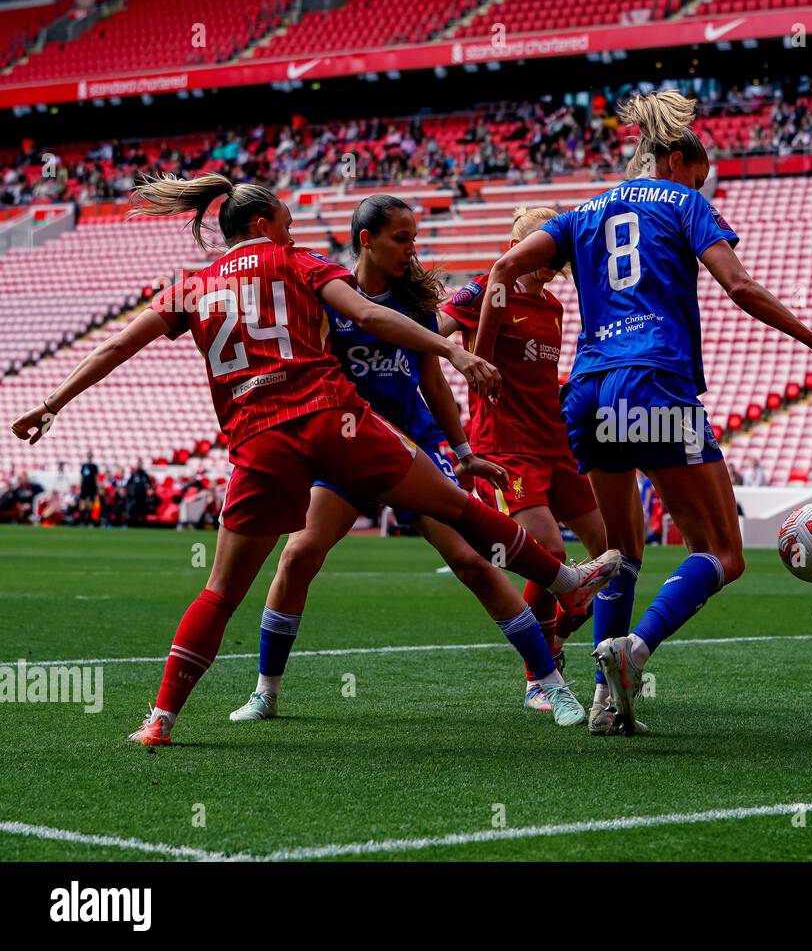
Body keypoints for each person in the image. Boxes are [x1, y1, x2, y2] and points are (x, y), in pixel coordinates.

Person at [9, 173, 620, 746]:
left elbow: (119, 342)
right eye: (286, 222)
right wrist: (454, 352)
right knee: (404, 527)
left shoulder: (194, 284)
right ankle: (560, 584)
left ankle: (161, 717)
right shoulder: (305, 268)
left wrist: (51, 403)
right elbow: (367, 317)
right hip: (340, 428)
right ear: (265, 226)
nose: (294, 232)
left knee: (229, 588)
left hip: (276, 438)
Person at [476, 90, 812, 734]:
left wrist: (481, 357)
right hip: (652, 381)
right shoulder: (684, 202)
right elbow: (737, 286)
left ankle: (605, 698)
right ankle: (635, 649)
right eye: (698, 174)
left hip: (589, 391)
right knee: (723, 552)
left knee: (620, 552)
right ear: (679, 159)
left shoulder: (581, 214)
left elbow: (502, 268)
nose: (699, 184)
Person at [227, 194, 598, 728]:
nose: (412, 249)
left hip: (411, 451)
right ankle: (266, 691)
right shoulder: (326, 295)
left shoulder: (417, 304)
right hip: (347, 447)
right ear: (366, 240)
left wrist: (464, 452)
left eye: (415, 238)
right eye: (402, 239)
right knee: (299, 555)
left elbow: (429, 381)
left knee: (473, 562)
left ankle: (549, 683)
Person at [439, 206, 609, 715]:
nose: (546, 256)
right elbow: (432, 332)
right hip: (504, 445)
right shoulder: (481, 291)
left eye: (553, 246)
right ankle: (539, 674)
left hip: (556, 442)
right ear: (516, 244)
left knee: (611, 557)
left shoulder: (554, 306)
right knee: (551, 549)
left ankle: (553, 641)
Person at [77, 451, 98, 526]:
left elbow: (95, 478)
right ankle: (82, 521)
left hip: (91, 487)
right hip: (84, 487)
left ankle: (89, 521)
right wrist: (81, 486)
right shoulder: (84, 466)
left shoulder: (94, 466)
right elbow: (82, 477)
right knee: (83, 503)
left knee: (90, 504)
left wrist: (96, 488)